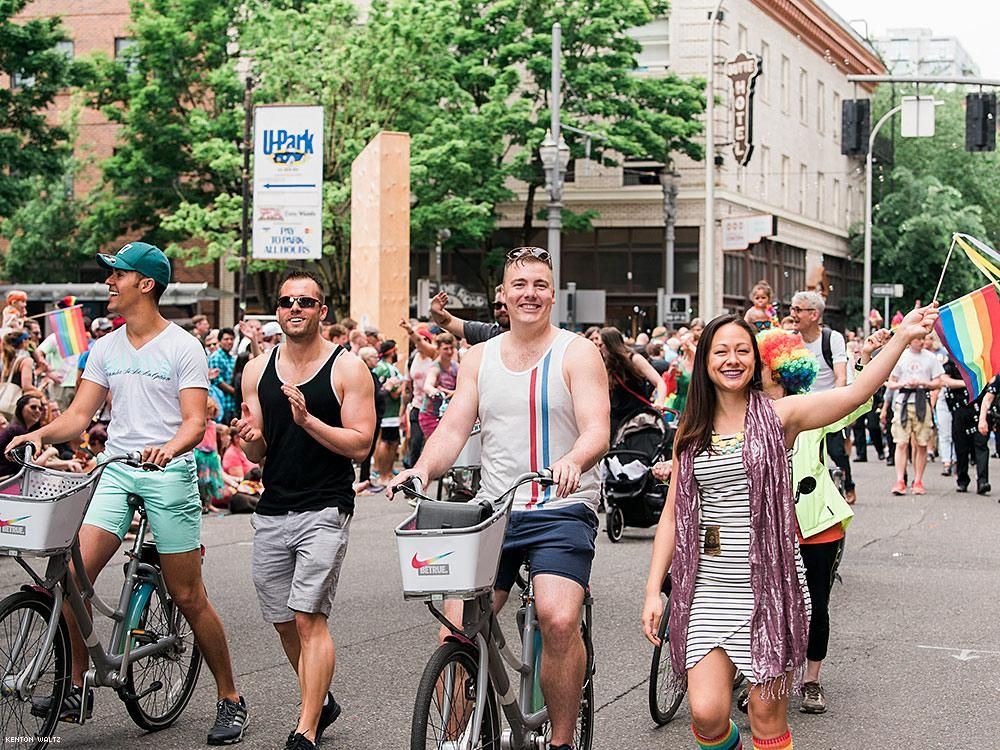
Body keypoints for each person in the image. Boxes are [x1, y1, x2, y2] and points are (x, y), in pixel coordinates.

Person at [641, 305, 938, 750]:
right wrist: (652, 591)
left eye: (742, 350)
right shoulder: (691, 428)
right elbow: (671, 515)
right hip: (709, 587)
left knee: (765, 715)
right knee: (706, 713)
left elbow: (856, 393)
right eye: (721, 351)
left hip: (770, 586)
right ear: (705, 361)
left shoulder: (781, 416)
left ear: (756, 360)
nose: (732, 359)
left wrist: (900, 337)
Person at [6, 241, 249, 744]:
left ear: (146, 284)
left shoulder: (182, 346)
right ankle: (75, 686)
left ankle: (230, 697)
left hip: (168, 471)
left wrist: (169, 449)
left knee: (187, 594)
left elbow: (195, 422)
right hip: (116, 470)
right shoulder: (106, 348)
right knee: (72, 575)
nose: (109, 283)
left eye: (117, 275)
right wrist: (38, 434)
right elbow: (79, 415)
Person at [388, 246, 610, 750]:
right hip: (496, 511)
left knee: (558, 618)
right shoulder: (479, 357)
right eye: (520, 285)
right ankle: (455, 738)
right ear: (502, 296)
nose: (530, 294)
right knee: (456, 629)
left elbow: (597, 430)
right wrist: (420, 469)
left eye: (540, 285)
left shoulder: (577, 352)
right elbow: (452, 429)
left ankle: (560, 740)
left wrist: (574, 459)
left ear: (552, 295)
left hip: (561, 507)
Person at [231, 270, 375, 750]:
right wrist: (250, 440)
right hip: (273, 506)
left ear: (322, 311)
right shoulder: (256, 370)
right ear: (278, 310)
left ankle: (306, 728)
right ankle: (323, 700)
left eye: (306, 302)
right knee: (283, 619)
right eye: (287, 301)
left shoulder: (347, 368)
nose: (295, 308)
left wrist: (308, 420)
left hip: (325, 506)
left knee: (309, 616)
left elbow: (361, 444)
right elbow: (259, 451)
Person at [755, 327, 889, 715]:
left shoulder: (810, 408)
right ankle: (762, 676)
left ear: (777, 370)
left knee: (816, 604)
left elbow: (858, 403)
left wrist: (866, 359)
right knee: (761, 604)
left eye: (758, 364)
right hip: (766, 526)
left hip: (815, 524)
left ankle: (811, 680)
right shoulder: (745, 413)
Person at [790, 290, 856, 504]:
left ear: (814, 314)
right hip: (801, 409)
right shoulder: (791, 341)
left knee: (836, 451)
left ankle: (848, 485)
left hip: (828, 406)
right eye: (792, 309)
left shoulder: (832, 339)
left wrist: (837, 407)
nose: (793, 314)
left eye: (798, 310)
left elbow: (840, 377)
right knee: (802, 456)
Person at [887, 334, 943, 495]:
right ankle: (900, 480)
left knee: (922, 443)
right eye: (918, 339)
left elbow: (939, 382)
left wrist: (924, 383)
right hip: (903, 401)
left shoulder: (931, 358)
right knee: (901, 442)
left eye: (923, 338)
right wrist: (903, 383)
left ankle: (918, 480)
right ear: (910, 339)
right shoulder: (901, 357)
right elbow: (890, 382)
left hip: (922, 401)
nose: (922, 341)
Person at [941, 357, 994, 494]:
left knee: (981, 445)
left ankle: (982, 481)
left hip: (979, 408)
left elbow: (991, 379)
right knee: (961, 446)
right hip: (960, 409)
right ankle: (962, 479)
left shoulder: (981, 360)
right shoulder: (954, 360)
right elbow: (944, 380)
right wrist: (967, 383)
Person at [599, 326, 665, 436]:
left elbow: (659, 382)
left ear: (610, 344)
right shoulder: (604, 364)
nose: (599, 348)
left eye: (601, 345)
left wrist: (660, 402)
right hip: (615, 420)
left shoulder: (634, 359)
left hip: (637, 419)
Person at [430, 284, 510, 345]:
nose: (502, 310)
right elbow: (449, 322)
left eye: (507, 305)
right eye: (498, 305)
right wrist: (436, 311)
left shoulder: (520, 338)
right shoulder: (485, 333)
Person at [372, 340, 403, 484]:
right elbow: (395, 394)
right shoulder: (390, 369)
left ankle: (380, 471)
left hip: (380, 411)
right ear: (392, 352)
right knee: (389, 442)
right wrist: (404, 386)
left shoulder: (378, 367)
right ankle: (385, 475)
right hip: (389, 412)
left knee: (382, 440)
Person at [417, 332, 458, 440]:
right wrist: (433, 391)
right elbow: (428, 385)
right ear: (438, 349)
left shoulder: (456, 366)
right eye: (445, 349)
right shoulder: (435, 367)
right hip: (431, 415)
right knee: (436, 443)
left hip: (448, 414)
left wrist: (454, 392)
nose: (449, 352)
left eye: (451, 348)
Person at [209, 327, 239, 424]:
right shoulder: (216, 357)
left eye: (231, 339)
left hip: (231, 404)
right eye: (226, 339)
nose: (229, 342)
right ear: (219, 341)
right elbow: (218, 381)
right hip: (221, 403)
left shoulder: (231, 358)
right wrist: (235, 392)